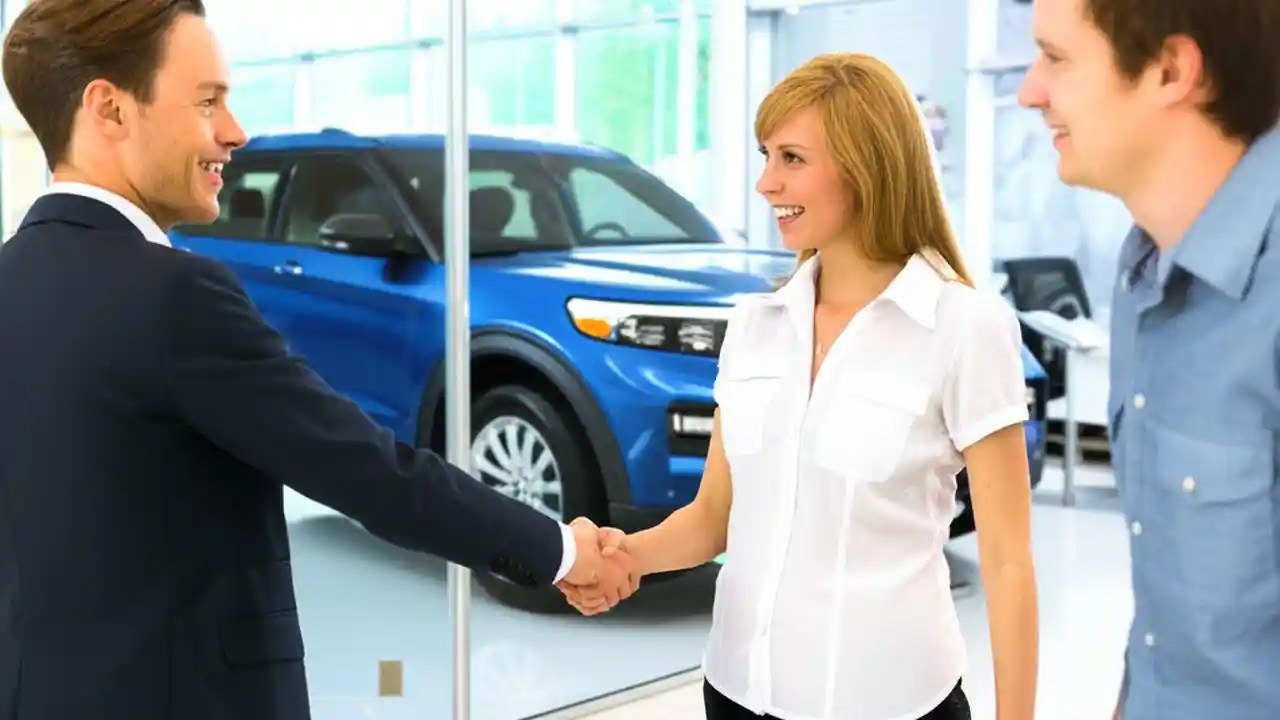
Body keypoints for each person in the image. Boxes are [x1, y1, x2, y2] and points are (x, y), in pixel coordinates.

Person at [0, 1, 634, 718]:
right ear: (109, 109)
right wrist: (562, 552)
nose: (234, 132)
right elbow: (365, 470)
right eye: (208, 101)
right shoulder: (172, 294)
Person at [562, 52, 1040, 720]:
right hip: (735, 695)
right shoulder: (756, 323)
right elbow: (714, 517)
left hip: (892, 706)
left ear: (866, 164)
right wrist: (624, 557)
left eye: (791, 157)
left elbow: (1010, 563)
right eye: (766, 154)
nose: (765, 183)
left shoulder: (966, 328)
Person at [1017, 1, 1279, 719]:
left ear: (1171, 70)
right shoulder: (1145, 273)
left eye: (1057, 58)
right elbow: (1176, 631)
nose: (1029, 90)